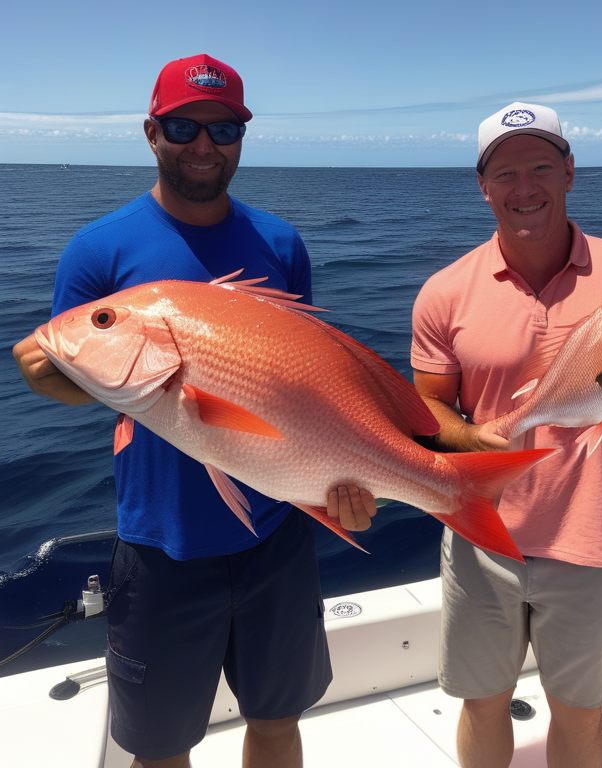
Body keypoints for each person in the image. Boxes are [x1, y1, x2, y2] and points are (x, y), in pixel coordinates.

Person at [13, 54, 376, 768]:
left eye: (223, 128)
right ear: (151, 132)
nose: (204, 144)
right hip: (161, 546)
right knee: (161, 747)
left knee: (278, 720)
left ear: (243, 136)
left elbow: (311, 383)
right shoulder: (98, 250)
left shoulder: (281, 244)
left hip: (279, 532)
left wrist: (340, 488)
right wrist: (55, 374)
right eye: (184, 126)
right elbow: (70, 366)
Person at [410, 102, 602, 768]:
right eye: (505, 173)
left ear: (570, 172)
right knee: (483, 703)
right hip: (481, 537)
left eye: (540, 166)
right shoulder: (444, 293)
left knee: (581, 711)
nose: (525, 188)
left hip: (588, 544)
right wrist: (476, 440)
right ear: (483, 187)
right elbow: (428, 414)